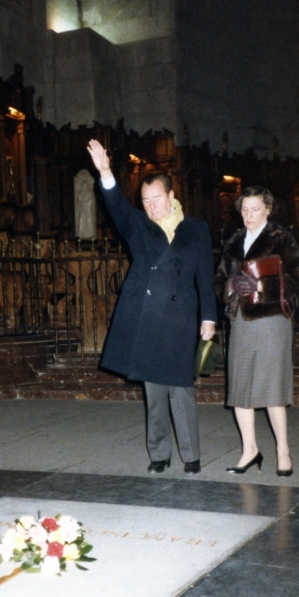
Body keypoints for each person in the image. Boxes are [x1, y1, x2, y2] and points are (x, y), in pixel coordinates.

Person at [87, 139, 217, 476]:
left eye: (156, 199)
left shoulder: (196, 229)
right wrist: (105, 173)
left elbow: (205, 276)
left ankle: (191, 455)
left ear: (172, 196)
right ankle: (159, 453)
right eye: (145, 201)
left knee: (181, 388)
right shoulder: (139, 226)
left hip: (180, 318)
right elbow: (117, 208)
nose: (151, 206)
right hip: (147, 314)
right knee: (154, 390)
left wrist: (209, 317)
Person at [214, 186, 299, 476]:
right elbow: (218, 280)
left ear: (268, 209)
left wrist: (261, 286)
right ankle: (250, 450)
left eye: (255, 209)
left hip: (271, 319)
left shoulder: (281, 238)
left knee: (272, 387)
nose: (249, 214)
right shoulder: (234, 241)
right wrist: (231, 285)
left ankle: (283, 450)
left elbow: (297, 279)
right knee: (240, 387)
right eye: (244, 209)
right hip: (241, 320)